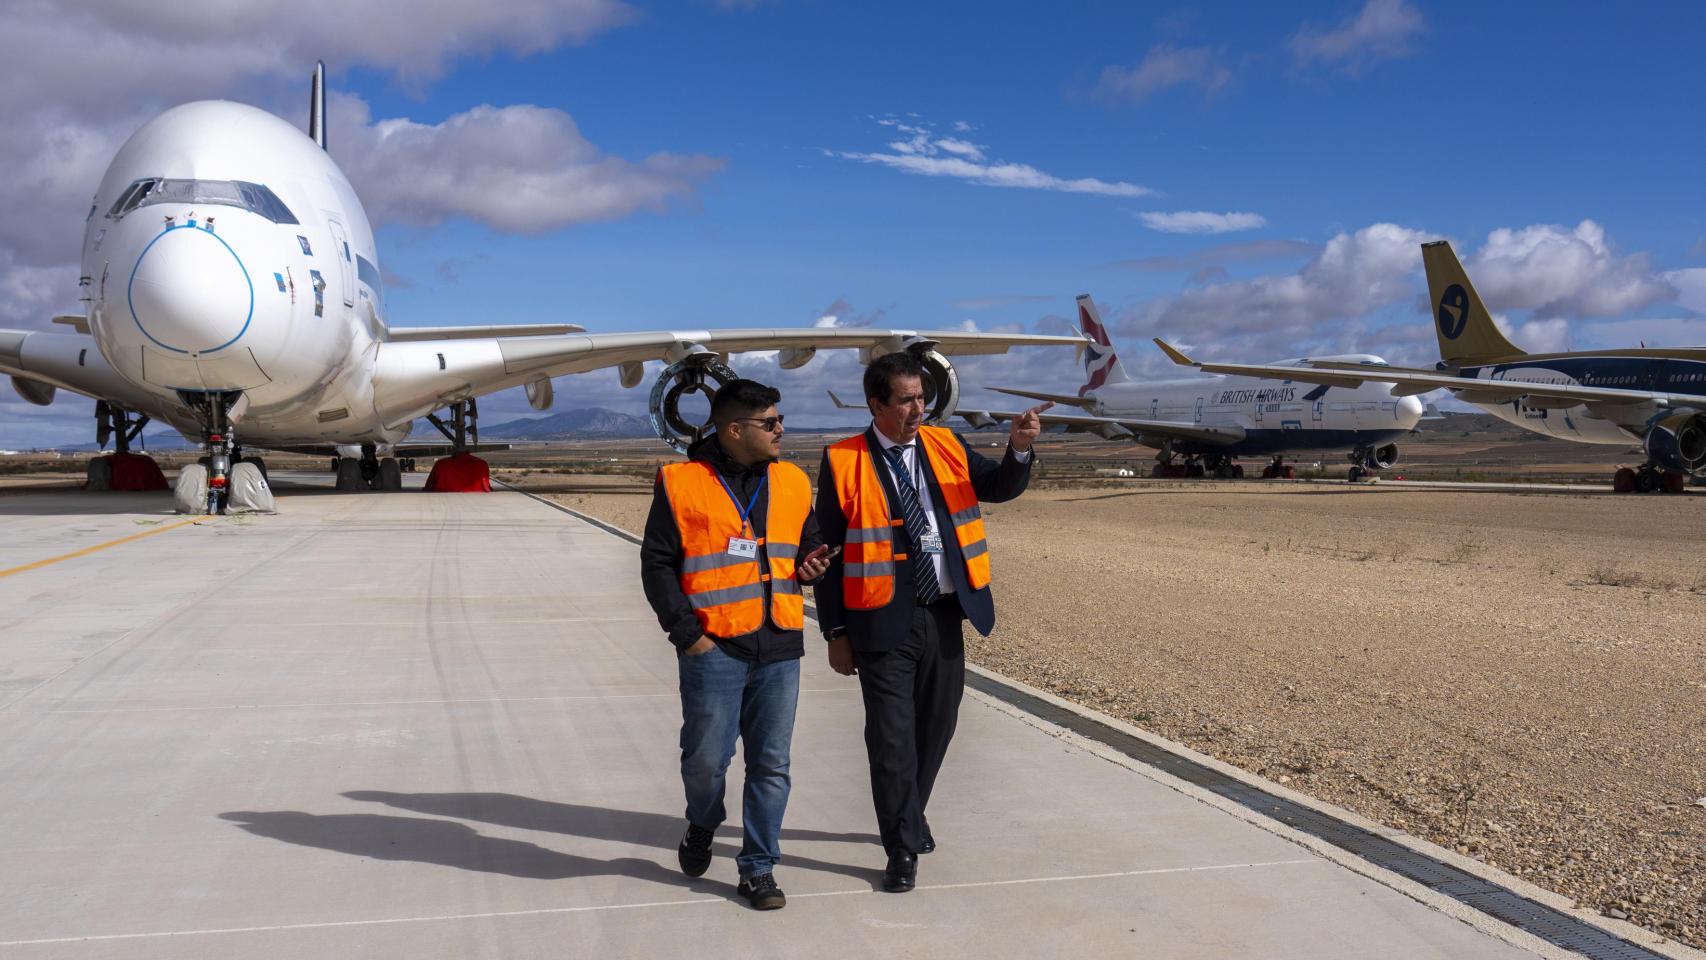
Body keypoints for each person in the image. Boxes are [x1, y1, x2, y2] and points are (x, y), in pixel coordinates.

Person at [813, 352, 1049, 892]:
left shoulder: (946, 444)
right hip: (878, 621)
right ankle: (900, 847)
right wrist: (836, 632)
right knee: (892, 738)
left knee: (937, 727)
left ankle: (908, 813)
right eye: (906, 400)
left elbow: (999, 487)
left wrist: (1019, 447)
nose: (919, 408)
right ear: (876, 404)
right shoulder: (844, 459)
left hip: (944, 614)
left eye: (923, 397)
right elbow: (828, 553)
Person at [641, 379, 833, 911]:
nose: (781, 429)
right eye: (770, 423)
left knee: (772, 764)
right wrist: (689, 636)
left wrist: (813, 564)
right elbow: (657, 563)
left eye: (780, 420)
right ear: (733, 429)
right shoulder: (681, 482)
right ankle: (702, 820)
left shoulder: (793, 479)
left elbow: (808, 541)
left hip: (779, 645)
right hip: (714, 646)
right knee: (706, 761)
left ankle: (759, 869)